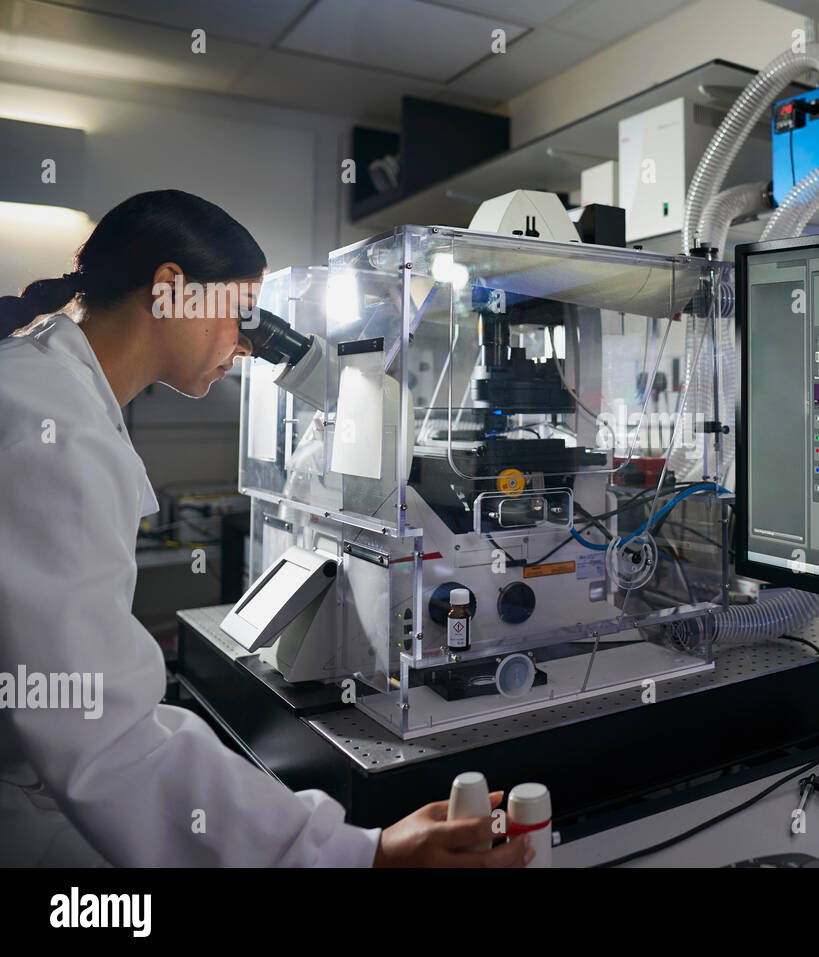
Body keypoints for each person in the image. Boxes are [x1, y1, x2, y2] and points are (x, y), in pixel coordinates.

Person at [0, 190, 532, 867]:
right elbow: (107, 738)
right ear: (171, 291)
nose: (249, 344)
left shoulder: (45, 384)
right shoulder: (55, 433)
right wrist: (355, 854)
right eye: (240, 312)